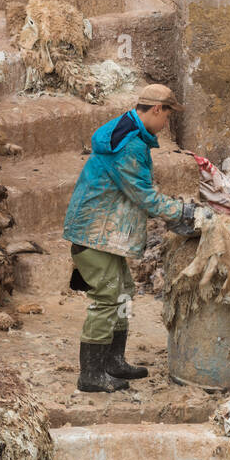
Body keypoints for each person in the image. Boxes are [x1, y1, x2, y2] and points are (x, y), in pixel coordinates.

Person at [63, 84, 205, 392]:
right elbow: (145, 197)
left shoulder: (127, 130)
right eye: (167, 116)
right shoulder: (129, 146)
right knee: (107, 297)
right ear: (157, 109)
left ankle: (113, 361)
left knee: (124, 292)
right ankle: (91, 374)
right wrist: (185, 212)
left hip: (103, 230)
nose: (166, 123)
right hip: (95, 233)